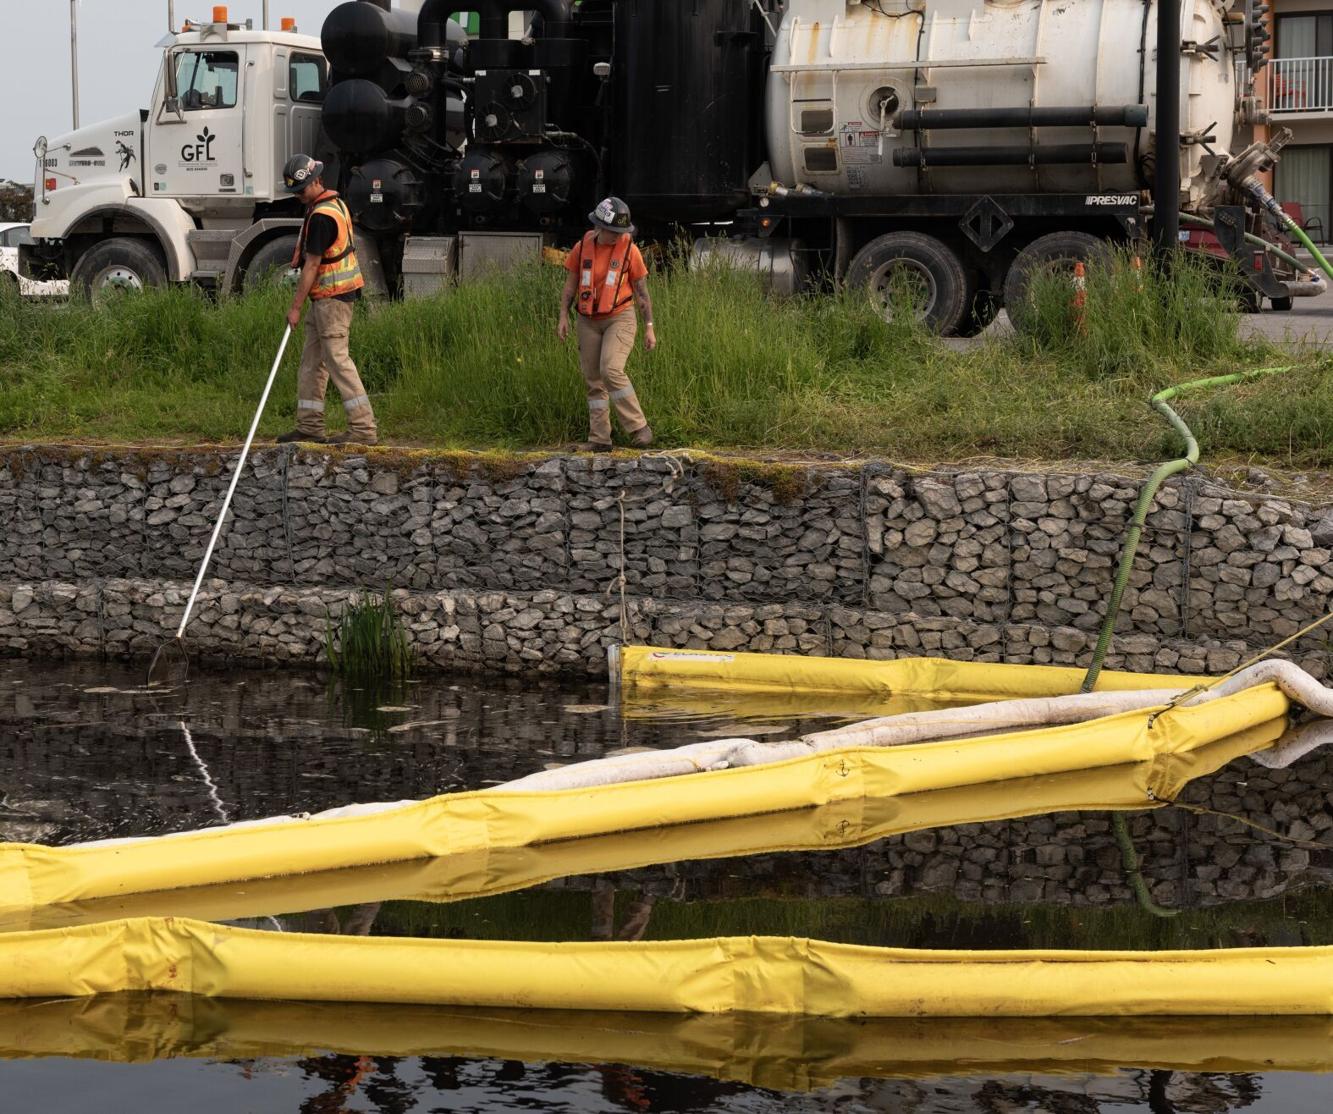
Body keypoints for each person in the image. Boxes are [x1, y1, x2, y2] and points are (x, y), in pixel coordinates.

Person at [276, 153, 379, 447]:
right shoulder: (332, 204)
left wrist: (295, 307)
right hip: (324, 298)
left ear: (316, 180)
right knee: (312, 361)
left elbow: (311, 266)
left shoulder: (322, 216)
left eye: (302, 189)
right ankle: (309, 426)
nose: (298, 196)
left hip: (334, 299)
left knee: (337, 360)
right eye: (295, 191)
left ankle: (363, 427)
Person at [557, 196, 656, 452]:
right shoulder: (582, 247)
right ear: (599, 228)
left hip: (620, 317)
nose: (618, 236)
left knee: (611, 369)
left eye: (622, 232)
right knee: (593, 380)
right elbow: (571, 286)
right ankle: (599, 440)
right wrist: (563, 317)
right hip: (588, 320)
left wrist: (649, 327)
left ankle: (639, 428)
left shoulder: (630, 251)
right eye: (614, 232)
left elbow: (642, 293)